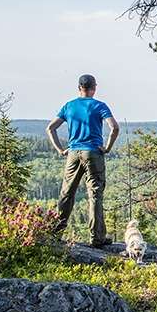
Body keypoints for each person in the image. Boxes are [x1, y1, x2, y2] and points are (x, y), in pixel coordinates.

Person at [47, 74, 120, 246]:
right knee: (95, 195)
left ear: (79, 87)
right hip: (93, 152)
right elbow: (114, 127)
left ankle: (55, 233)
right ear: (94, 87)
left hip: (73, 153)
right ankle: (97, 238)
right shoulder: (99, 106)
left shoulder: (69, 106)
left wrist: (60, 150)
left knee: (67, 193)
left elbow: (50, 128)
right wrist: (107, 147)